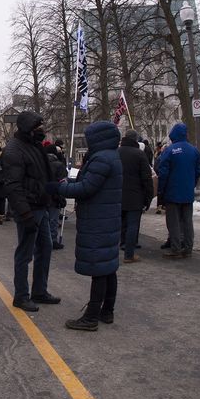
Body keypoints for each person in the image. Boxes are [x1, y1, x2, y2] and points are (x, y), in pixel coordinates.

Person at [49, 121, 122, 332]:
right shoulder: (110, 155)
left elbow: (87, 187)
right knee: (108, 266)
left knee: (99, 268)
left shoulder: (101, 158)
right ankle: (107, 310)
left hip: (98, 219)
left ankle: (91, 316)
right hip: (106, 218)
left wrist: (59, 187)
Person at [2, 111, 58, 313]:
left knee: (46, 248)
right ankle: (21, 296)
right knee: (25, 253)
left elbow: (44, 175)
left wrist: (54, 195)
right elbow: (13, 185)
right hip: (29, 209)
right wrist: (24, 213)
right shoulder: (14, 150)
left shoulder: (34, 147)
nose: (41, 131)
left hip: (41, 206)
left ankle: (39, 291)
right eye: (37, 128)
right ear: (27, 129)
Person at [155, 122, 200, 259]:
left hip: (172, 192)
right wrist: (190, 184)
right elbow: (198, 171)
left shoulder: (169, 151)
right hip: (187, 192)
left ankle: (176, 248)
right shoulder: (193, 150)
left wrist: (161, 191)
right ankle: (188, 248)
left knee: (174, 222)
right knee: (187, 221)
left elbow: (163, 173)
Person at [118, 130, 153, 263]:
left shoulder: (117, 153)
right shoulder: (139, 154)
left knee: (122, 224)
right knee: (133, 225)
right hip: (135, 196)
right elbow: (147, 178)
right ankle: (129, 254)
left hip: (119, 195)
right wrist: (148, 197)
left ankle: (121, 245)